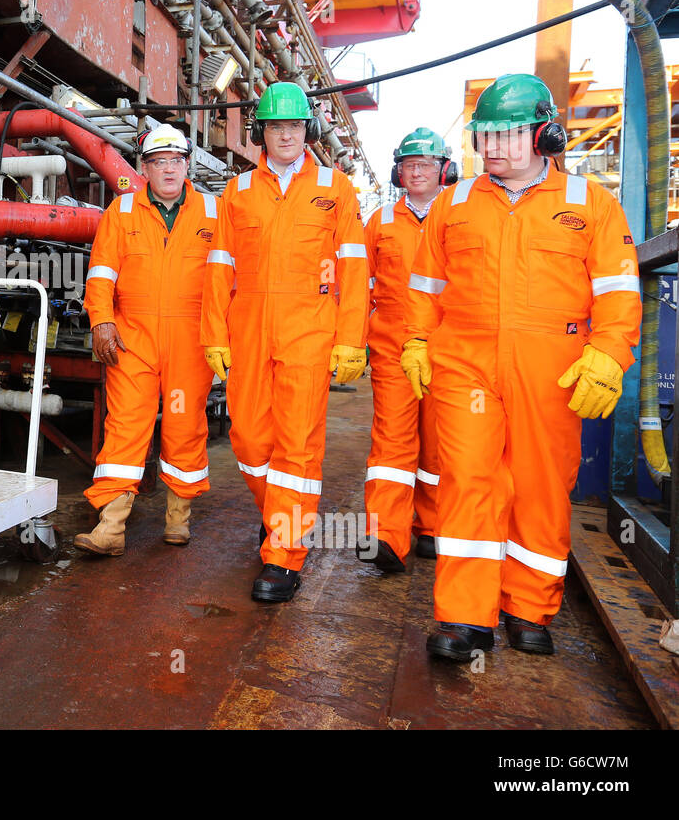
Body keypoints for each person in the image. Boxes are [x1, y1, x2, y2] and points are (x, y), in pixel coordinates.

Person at [402, 73, 641, 659]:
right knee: (466, 483)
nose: (493, 148)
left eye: (508, 135)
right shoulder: (453, 205)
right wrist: (414, 341)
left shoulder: (591, 204)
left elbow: (616, 289)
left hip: (552, 370)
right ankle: (464, 617)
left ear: (544, 134)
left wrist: (609, 354)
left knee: (541, 487)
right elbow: (425, 289)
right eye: (485, 136)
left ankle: (528, 606)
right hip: (465, 364)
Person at [201, 82, 369, 602]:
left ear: (308, 130)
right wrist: (216, 334)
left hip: (309, 331)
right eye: (276, 127)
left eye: (294, 126)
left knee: (297, 444)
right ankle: (278, 514)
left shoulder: (334, 186)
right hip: (250, 328)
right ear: (261, 134)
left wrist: (350, 338)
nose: (286, 135)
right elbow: (218, 267)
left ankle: (284, 555)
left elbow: (355, 266)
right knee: (249, 441)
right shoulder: (238, 191)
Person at [76, 123, 220, 555]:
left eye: (176, 161)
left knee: (184, 426)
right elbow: (101, 273)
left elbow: (226, 278)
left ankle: (178, 518)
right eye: (160, 162)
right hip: (133, 340)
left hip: (190, 343)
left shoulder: (214, 212)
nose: (169, 170)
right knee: (125, 427)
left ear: (187, 165)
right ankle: (112, 527)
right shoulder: (121, 212)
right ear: (145, 168)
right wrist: (101, 320)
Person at [359, 128, 454, 573]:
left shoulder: (460, 214)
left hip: (448, 348)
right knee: (392, 441)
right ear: (399, 171)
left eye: (426, 165)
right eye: (410, 165)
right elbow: (361, 285)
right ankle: (387, 536)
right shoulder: (380, 221)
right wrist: (354, 341)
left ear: (443, 170)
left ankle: (432, 526)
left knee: (438, 445)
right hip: (392, 348)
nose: (417, 172)